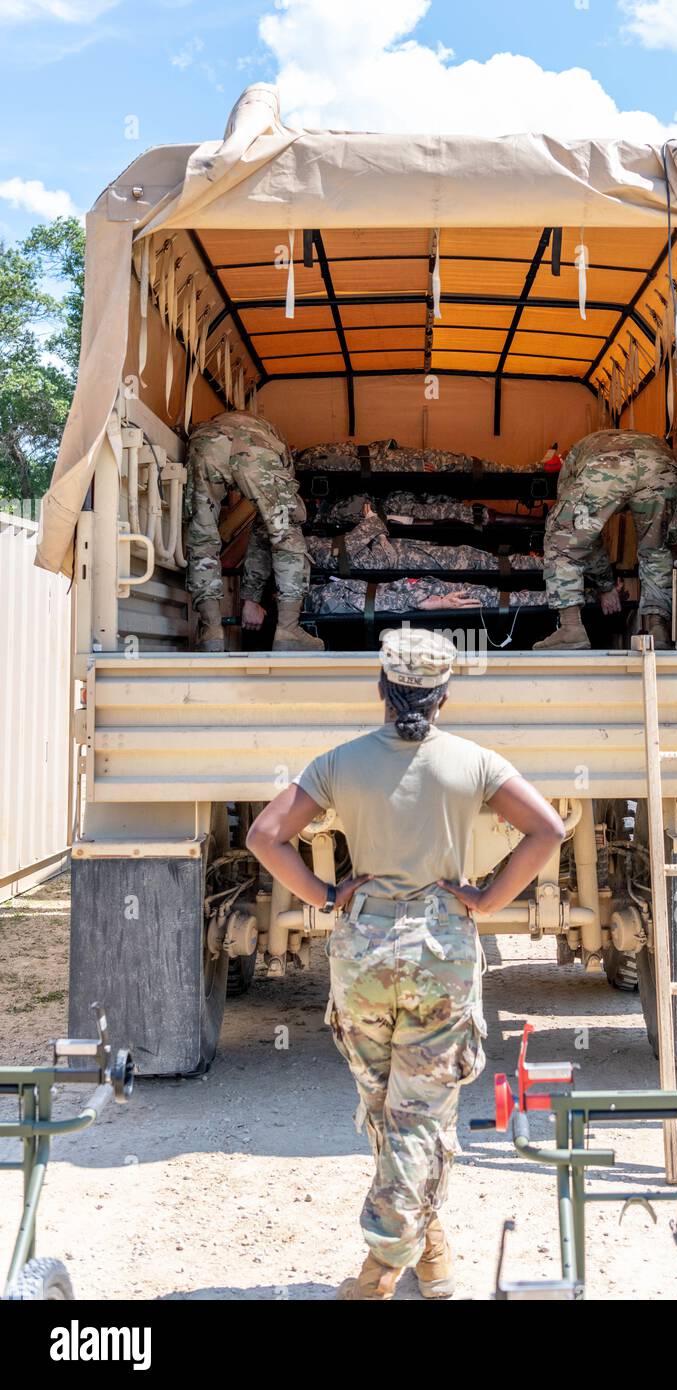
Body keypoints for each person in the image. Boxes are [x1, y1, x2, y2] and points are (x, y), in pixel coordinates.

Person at [246, 627, 565, 1301]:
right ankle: (403, 1256)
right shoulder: (476, 764)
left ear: (382, 689)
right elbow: (548, 830)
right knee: (417, 1116)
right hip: (440, 960)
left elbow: (264, 836)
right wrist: (488, 897)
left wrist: (327, 894)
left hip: (363, 961)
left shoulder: (338, 762)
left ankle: (402, 1257)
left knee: (388, 1111)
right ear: (445, 692)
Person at [185, 409, 323, 652]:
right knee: (285, 532)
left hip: (205, 444)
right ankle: (288, 630)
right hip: (255, 450)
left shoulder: (217, 421)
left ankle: (211, 631)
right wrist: (251, 599)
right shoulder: (275, 443)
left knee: (202, 537)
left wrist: (250, 600)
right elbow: (266, 534)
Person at [534, 429, 677, 651]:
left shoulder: (575, 458)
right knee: (656, 549)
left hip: (609, 464)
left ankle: (571, 628)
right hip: (661, 462)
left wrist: (606, 585)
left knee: (562, 539)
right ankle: (657, 629)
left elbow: (581, 539)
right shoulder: (605, 440)